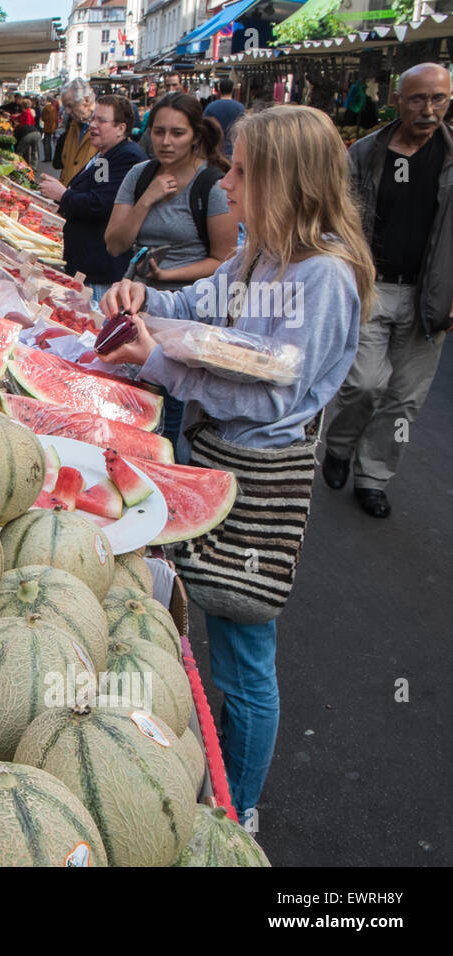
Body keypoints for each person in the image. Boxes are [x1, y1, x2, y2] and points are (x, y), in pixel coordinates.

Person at [98, 105, 372, 821]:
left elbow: (266, 396)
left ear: (286, 178)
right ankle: (217, 772)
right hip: (214, 451)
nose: (229, 182)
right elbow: (199, 304)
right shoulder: (263, 251)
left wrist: (158, 358)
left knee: (245, 648)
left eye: (244, 170)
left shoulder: (324, 278)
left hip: (261, 474)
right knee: (211, 623)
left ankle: (239, 807)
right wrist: (143, 297)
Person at [322, 63, 453, 518]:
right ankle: (339, 445)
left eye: (439, 99)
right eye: (418, 99)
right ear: (397, 100)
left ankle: (374, 476)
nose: (429, 109)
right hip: (372, 287)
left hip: (429, 296)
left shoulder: (451, 157)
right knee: (363, 384)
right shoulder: (364, 154)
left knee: (404, 402)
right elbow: (337, 219)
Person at [106, 92, 239, 446]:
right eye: (158, 131)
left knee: (170, 419)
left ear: (195, 134)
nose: (165, 141)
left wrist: (167, 277)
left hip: (186, 319)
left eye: (177, 133)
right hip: (134, 310)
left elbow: (226, 260)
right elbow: (115, 243)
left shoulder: (212, 185)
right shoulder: (139, 176)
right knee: (127, 410)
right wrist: (147, 199)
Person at [38, 95, 147, 300]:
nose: (93, 126)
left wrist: (64, 195)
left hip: (100, 269)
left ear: (121, 128)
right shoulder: (105, 156)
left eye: (101, 121)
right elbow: (96, 190)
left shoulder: (127, 157)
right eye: (93, 119)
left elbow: (101, 203)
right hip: (85, 263)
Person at [51, 79, 97, 186]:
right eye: (65, 106)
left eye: (70, 105)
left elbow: (102, 179)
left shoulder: (104, 130)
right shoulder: (74, 125)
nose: (67, 111)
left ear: (87, 100)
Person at [204, 78, 246, 157]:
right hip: (233, 149)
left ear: (219, 89)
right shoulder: (240, 108)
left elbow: (204, 129)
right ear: (233, 89)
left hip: (215, 150)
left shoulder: (210, 107)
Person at [41, 96, 59, 162]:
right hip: (53, 127)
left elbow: (43, 118)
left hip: (47, 127)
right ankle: (52, 157)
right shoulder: (53, 108)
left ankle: (47, 157)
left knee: (46, 142)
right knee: (53, 142)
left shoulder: (46, 108)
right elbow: (56, 118)